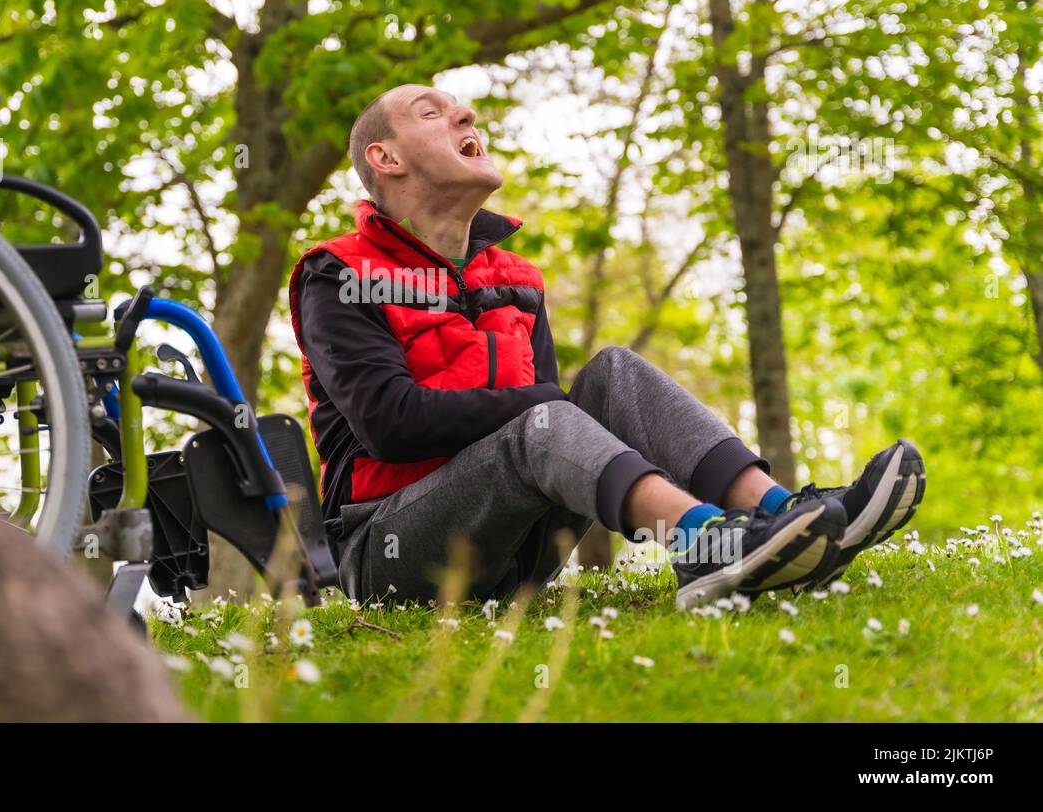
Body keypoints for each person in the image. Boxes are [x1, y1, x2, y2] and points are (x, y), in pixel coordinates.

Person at [287, 84, 925, 609]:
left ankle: (789, 518)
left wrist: (542, 406)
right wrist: (538, 406)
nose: (465, 113)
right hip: (392, 555)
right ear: (387, 160)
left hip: (518, 555)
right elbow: (389, 425)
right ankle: (702, 542)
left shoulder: (516, 280)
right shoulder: (337, 273)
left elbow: (548, 423)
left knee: (613, 370)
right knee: (542, 415)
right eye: (431, 112)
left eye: (461, 108)